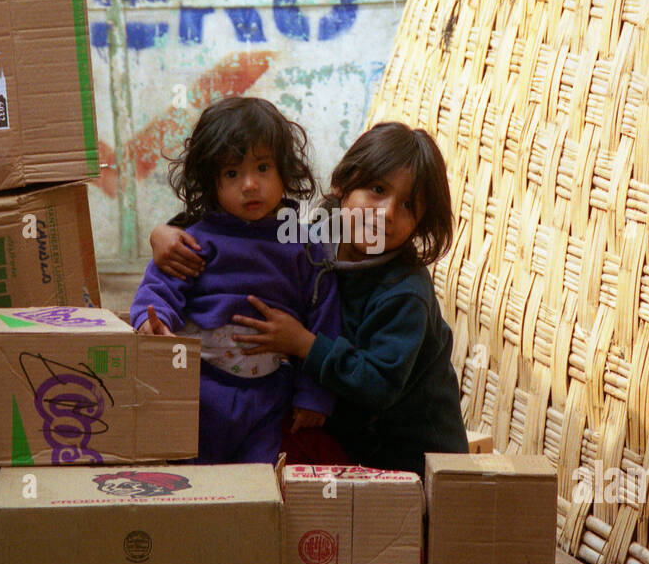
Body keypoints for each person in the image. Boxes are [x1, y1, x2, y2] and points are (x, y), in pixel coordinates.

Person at [150, 121, 468, 476]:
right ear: (343, 184)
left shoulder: (405, 292)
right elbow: (246, 234)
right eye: (377, 189)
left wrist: (304, 344)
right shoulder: (318, 237)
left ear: (420, 222)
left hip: (407, 463)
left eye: (408, 205)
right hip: (341, 434)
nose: (387, 213)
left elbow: (378, 385)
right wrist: (167, 233)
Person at [130, 97, 340, 465]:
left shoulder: (304, 246)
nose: (249, 185)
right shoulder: (196, 238)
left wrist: (314, 396)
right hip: (200, 389)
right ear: (212, 181)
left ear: (284, 172)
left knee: (258, 482)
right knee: (191, 476)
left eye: (262, 168)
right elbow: (162, 285)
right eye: (231, 173)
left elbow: (325, 319)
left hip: (270, 397)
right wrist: (153, 321)